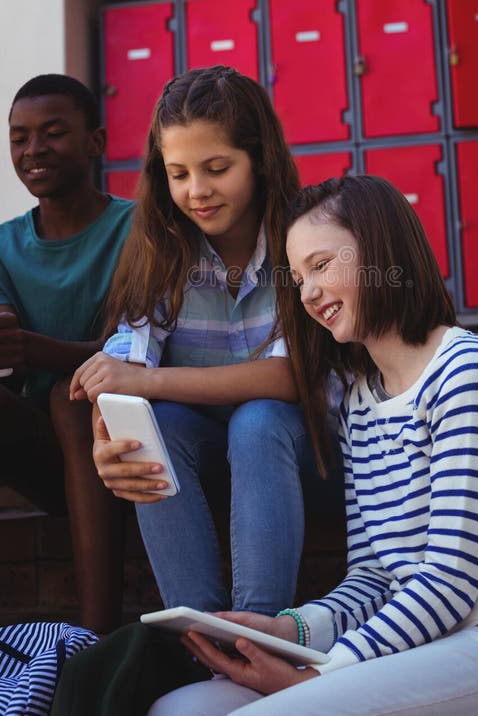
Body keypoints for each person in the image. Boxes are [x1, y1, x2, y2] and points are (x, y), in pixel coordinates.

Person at [148, 174, 478, 716]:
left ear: (380, 252)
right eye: (298, 276)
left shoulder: (466, 373)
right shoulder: (360, 403)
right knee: (182, 710)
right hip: (420, 642)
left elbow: (447, 582)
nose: (306, 293)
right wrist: (289, 628)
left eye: (322, 266)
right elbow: (376, 576)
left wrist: (321, 673)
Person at [70, 66, 342, 617]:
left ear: (259, 160)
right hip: (209, 466)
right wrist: (110, 430)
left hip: (313, 461)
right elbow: (128, 361)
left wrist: (145, 381)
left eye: (217, 168)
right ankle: (199, 639)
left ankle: (257, 628)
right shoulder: (162, 250)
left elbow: (288, 377)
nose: (197, 191)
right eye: (178, 173)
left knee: (259, 418)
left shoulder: (303, 239)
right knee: (157, 428)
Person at [0, 73, 133, 634]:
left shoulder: (140, 228)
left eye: (53, 133)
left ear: (95, 142)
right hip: (45, 466)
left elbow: (143, 349)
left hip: (128, 450)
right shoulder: (5, 242)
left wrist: (37, 350)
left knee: (72, 396)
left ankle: (96, 639)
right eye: (19, 137)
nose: (33, 151)